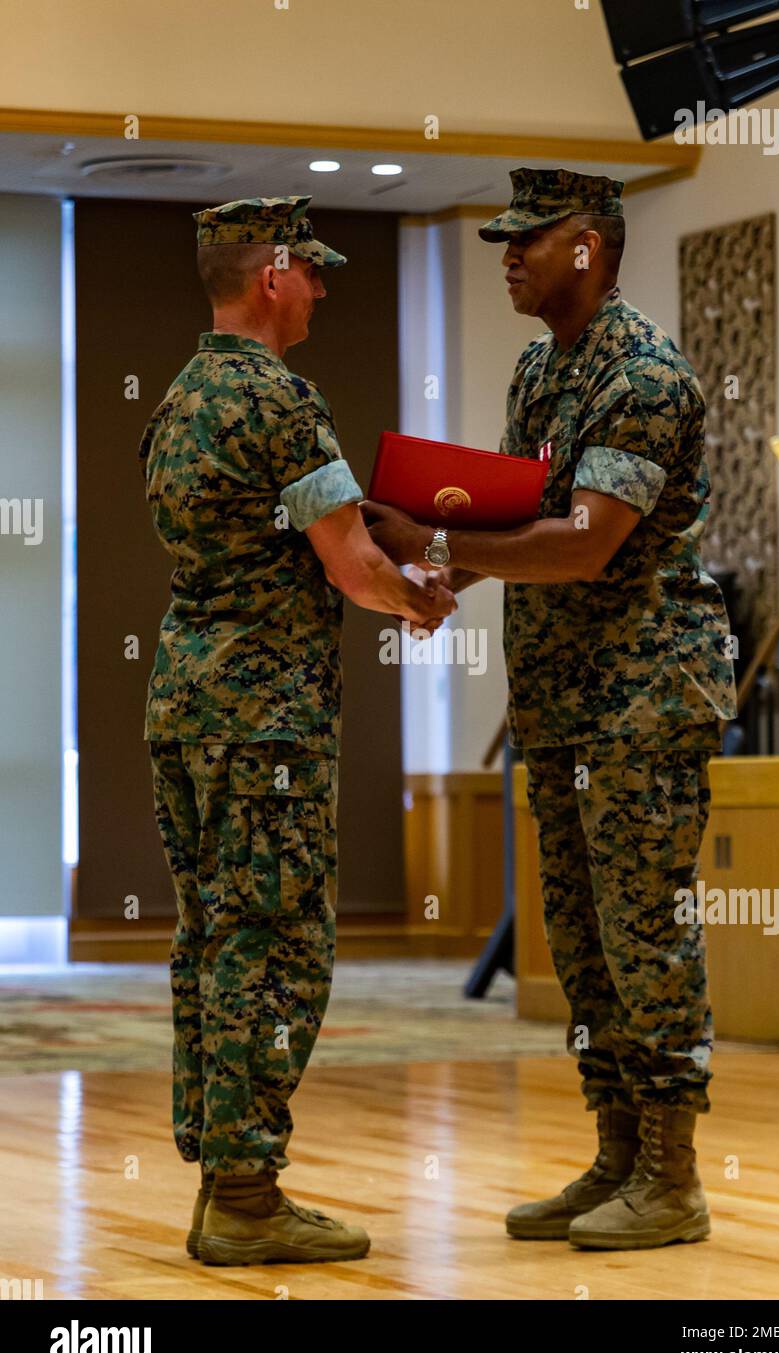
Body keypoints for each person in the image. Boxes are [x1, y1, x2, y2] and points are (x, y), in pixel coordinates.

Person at [362, 167, 737, 1252]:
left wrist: (430, 548)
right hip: (561, 701)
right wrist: (433, 587)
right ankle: (614, 1153)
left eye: (531, 237)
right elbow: (516, 521)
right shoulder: (539, 372)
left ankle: (672, 1175)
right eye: (502, 238)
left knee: (642, 933)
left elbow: (583, 540)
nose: (510, 255)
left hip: (641, 696)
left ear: (590, 246)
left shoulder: (643, 373)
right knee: (576, 939)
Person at [139, 195, 454, 1266]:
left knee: (213, 938)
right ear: (271, 272)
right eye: (311, 270)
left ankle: (222, 1173)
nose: (322, 287)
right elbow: (347, 560)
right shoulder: (279, 398)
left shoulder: (179, 399)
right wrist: (420, 598)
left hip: (187, 702)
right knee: (277, 942)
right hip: (266, 716)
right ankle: (245, 1195)